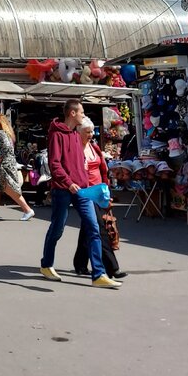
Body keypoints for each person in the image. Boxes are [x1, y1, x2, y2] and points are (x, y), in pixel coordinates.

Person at [39, 99, 120, 289]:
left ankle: (98, 274)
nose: (84, 114)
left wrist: (88, 184)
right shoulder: (56, 135)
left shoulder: (76, 136)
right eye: (81, 112)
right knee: (57, 229)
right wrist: (69, 182)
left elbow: (81, 162)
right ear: (72, 113)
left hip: (82, 190)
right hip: (62, 189)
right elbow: (55, 164)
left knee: (93, 228)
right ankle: (46, 264)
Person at [72, 118, 123, 279]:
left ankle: (80, 264)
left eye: (92, 131)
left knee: (88, 228)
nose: (91, 134)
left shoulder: (94, 147)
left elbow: (103, 170)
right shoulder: (74, 150)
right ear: (78, 133)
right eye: (87, 132)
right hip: (85, 193)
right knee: (99, 228)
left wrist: (107, 192)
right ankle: (112, 268)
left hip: (99, 193)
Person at [0, 114, 35, 220]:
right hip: (1, 166)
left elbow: (6, 147)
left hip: (2, 166)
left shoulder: (1, 133)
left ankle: (27, 210)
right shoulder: (6, 133)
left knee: (8, 188)